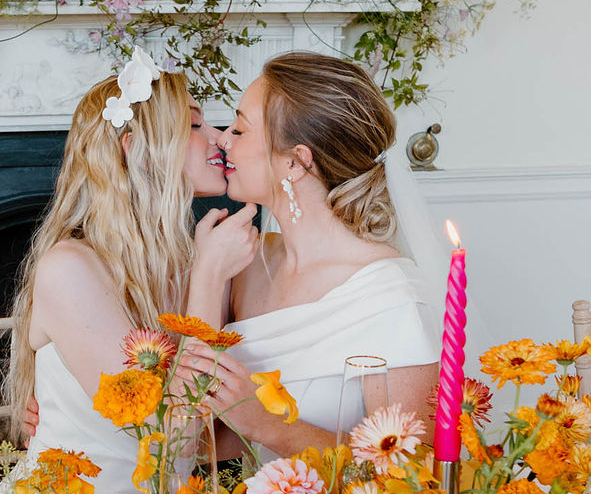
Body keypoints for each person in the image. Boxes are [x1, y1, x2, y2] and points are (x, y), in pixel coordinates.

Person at [7, 48, 258, 494]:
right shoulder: (70, 267)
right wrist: (208, 278)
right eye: (194, 125)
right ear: (135, 147)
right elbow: (166, 444)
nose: (219, 137)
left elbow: (210, 435)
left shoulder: (198, 258)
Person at [182, 52, 440, 461]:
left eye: (240, 129)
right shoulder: (244, 265)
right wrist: (206, 274)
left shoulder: (389, 298)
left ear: (296, 162)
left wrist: (267, 424)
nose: (223, 139)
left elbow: (413, 474)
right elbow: (198, 441)